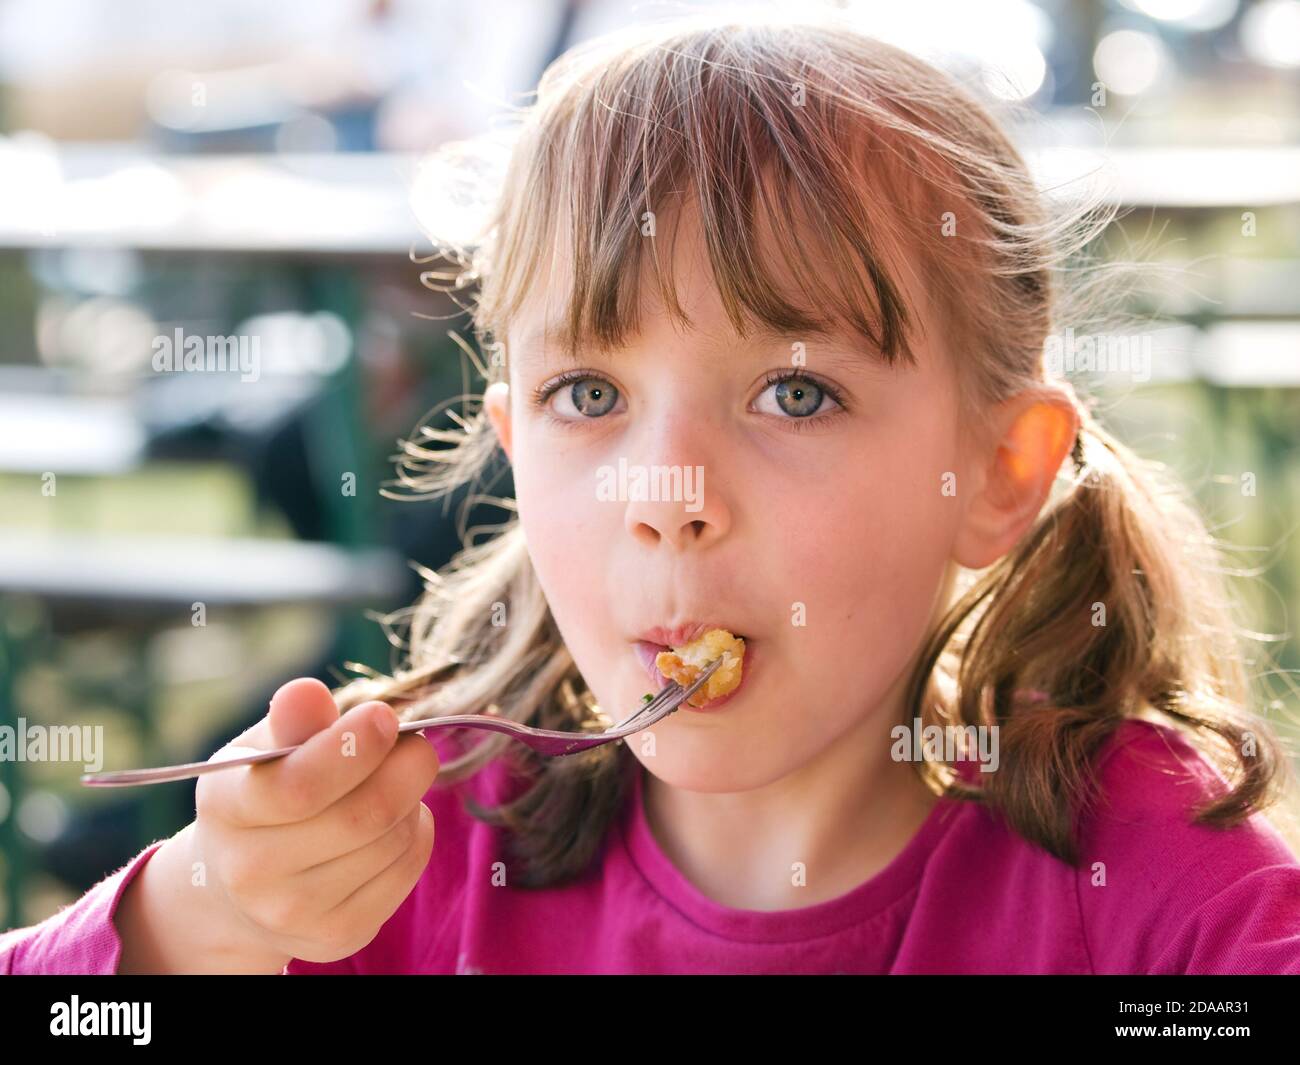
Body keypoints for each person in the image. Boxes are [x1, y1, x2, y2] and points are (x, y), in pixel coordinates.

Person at [5, 11, 1300, 975]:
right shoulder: (411, 858)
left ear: (1000, 473)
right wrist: (196, 918)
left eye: (795, 394)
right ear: (513, 445)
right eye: (588, 396)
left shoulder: (1153, 895)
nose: (667, 496)